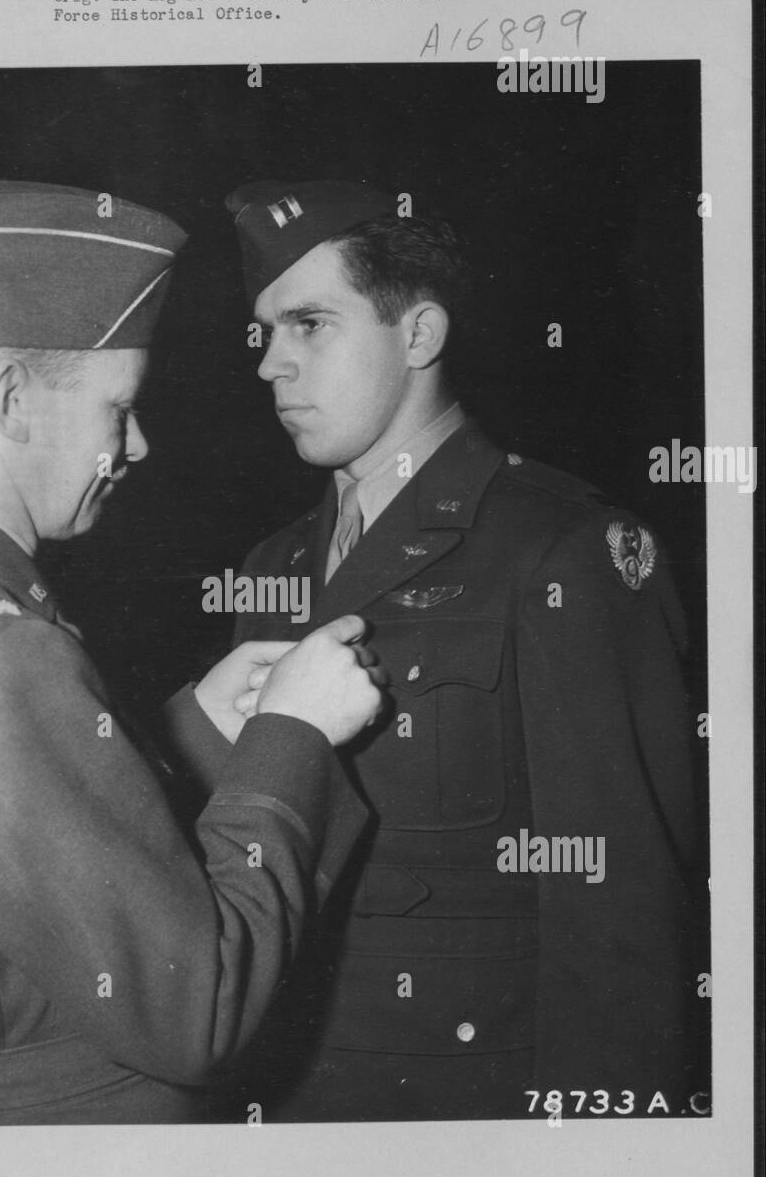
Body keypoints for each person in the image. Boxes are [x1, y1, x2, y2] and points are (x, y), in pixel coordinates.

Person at [0, 179, 384, 1127]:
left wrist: (191, 730)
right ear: (13, 400)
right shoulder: (1, 655)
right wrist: (291, 736)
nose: (136, 444)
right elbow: (197, 1006)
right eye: (116, 408)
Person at [219, 178, 704, 1122]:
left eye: (310, 324)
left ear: (419, 336)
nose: (271, 363)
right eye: (266, 331)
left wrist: (594, 1171)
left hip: (472, 1109)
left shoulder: (559, 548)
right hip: (285, 1105)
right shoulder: (272, 562)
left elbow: (618, 910)